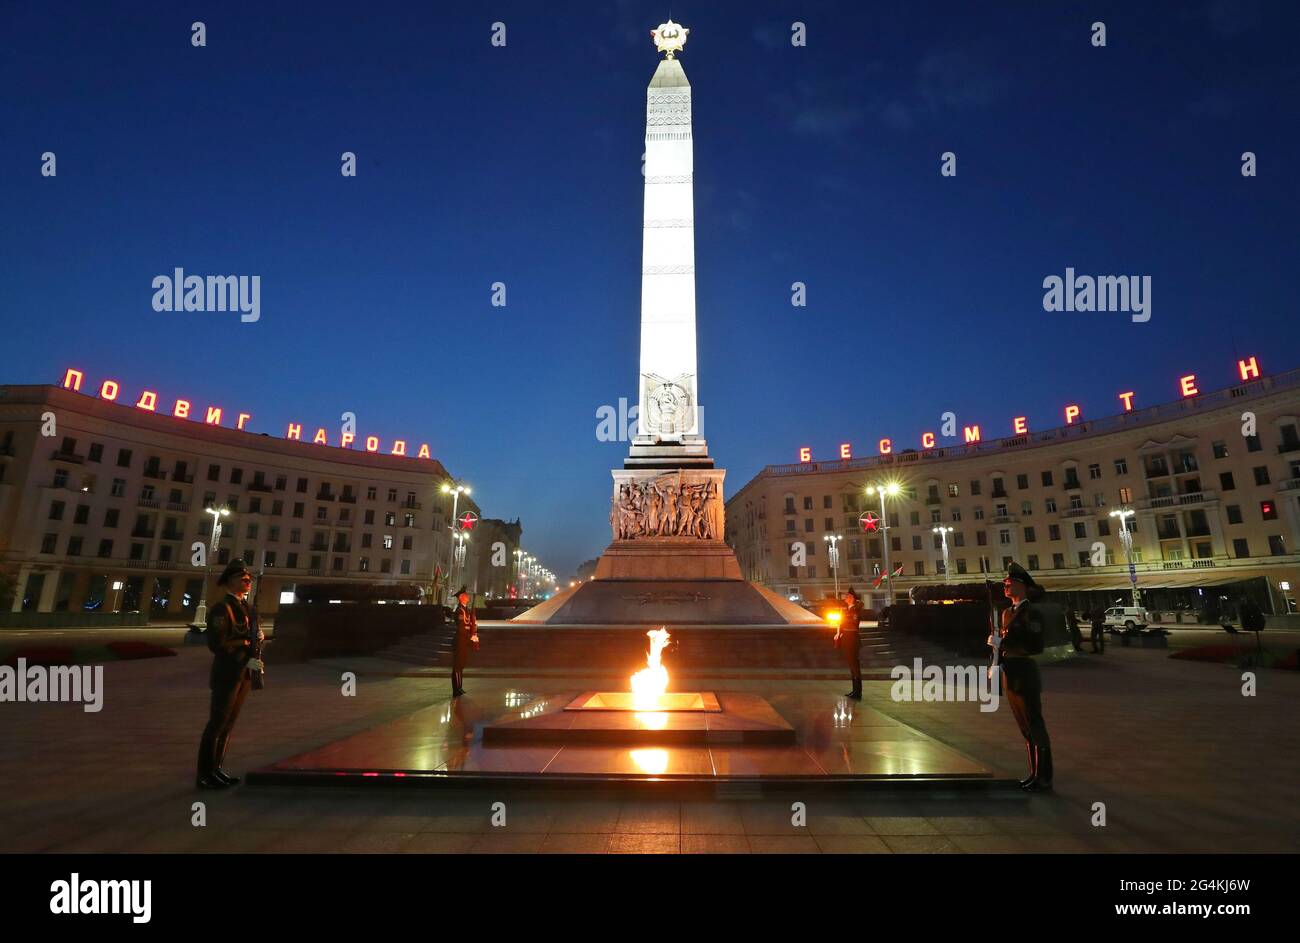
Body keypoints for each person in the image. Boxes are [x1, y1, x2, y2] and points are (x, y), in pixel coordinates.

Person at [196, 560, 265, 789]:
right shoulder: (222, 608)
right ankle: (205, 774)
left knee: (228, 724)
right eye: (242, 578)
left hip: (244, 674)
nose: (247, 581)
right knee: (217, 723)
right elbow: (218, 644)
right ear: (229, 581)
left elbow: (251, 637)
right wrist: (246, 651)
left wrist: (259, 641)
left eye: (249, 578)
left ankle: (217, 769)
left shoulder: (248, 608)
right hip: (227, 673)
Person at [994, 562, 1053, 792]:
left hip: (1026, 673)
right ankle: (1034, 774)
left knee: (1035, 726)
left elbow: (1035, 646)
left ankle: (1044, 778)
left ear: (1023, 586)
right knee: (1025, 729)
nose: (1006, 584)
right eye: (1006, 582)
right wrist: (997, 655)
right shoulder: (1007, 612)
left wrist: (1005, 643)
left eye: (1010, 581)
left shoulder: (1032, 613)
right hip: (1010, 674)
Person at [451, 586, 478, 697]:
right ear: (461, 598)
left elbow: (469, 624)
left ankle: (460, 687)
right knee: (457, 666)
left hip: (464, 641)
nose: (468, 597)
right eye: (466, 596)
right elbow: (462, 628)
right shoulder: (459, 611)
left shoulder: (466, 609)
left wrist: (473, 632)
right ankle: (456, 689)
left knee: (461, 665)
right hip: (460, 641)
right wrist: (470, 637)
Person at [836, 587, 862, 699]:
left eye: (847, 596)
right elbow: (842, 624)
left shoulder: (855, 610)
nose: (845, 598)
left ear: (851, 598)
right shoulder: (847, 610)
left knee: (855, 666)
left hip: (852, 639)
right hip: (847, 639)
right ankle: (854, 690)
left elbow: (854, 625)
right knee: (851, 666)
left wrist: (843, 622)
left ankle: (858, 692)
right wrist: (838, 631)